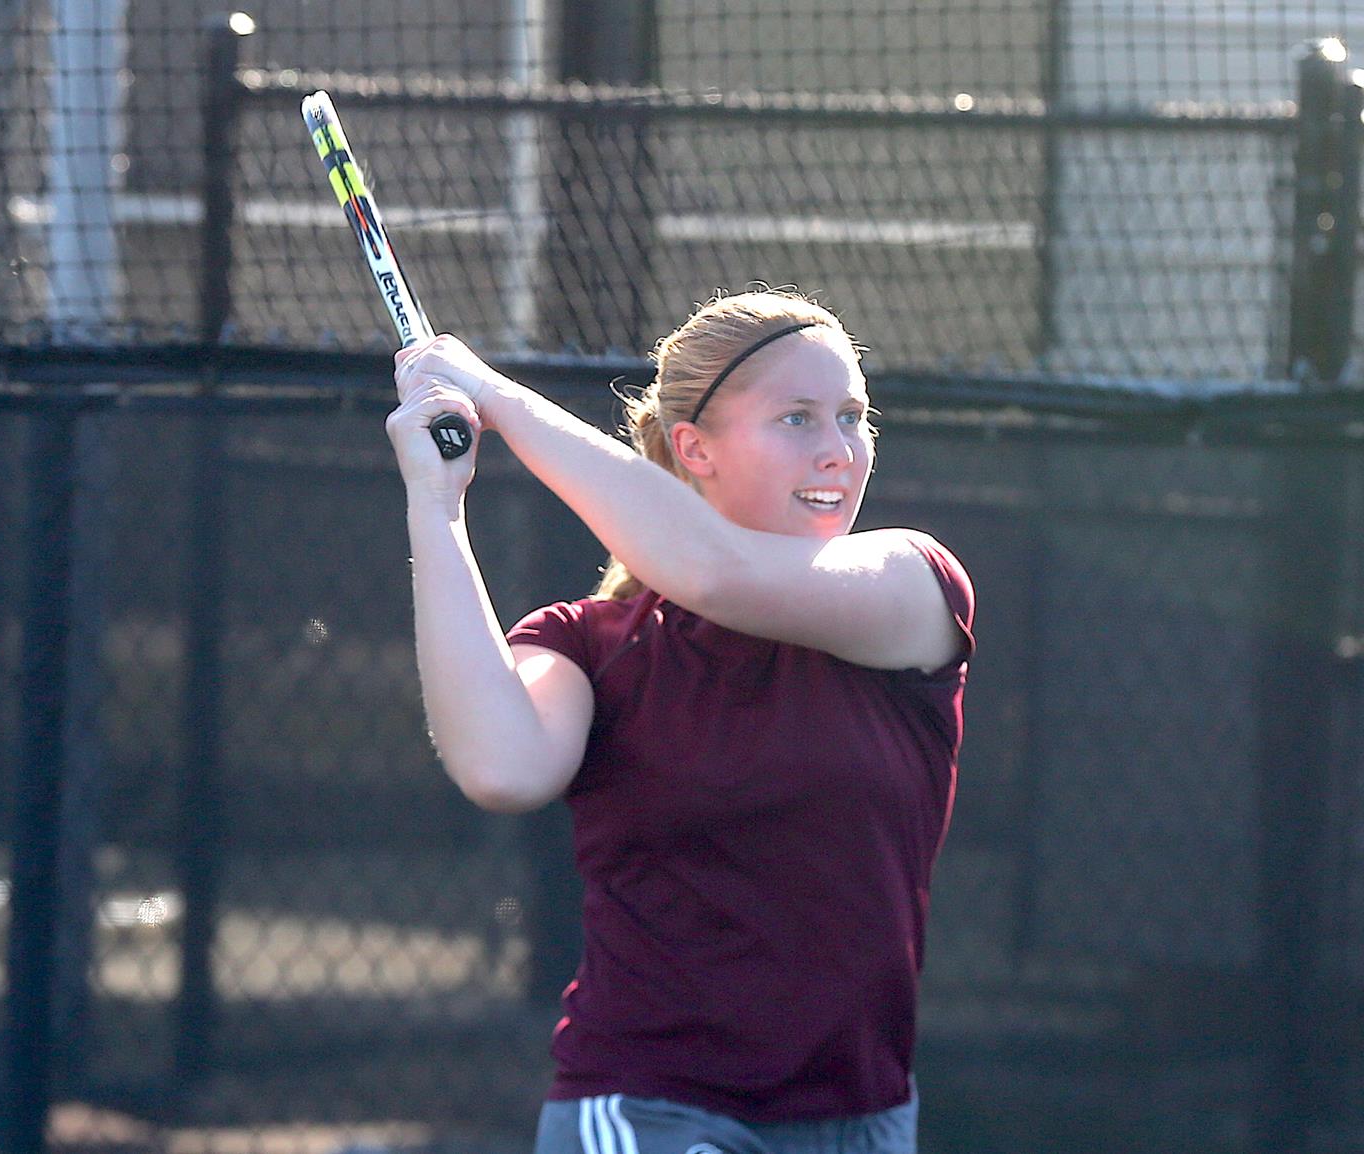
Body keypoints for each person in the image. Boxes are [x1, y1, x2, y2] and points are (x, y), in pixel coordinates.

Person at [386, 288, 974, 1154]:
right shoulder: (589, 643)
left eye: (853, 417)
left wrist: (498, 398)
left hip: (864, 1115)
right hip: (649, 1107)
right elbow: (503, 768)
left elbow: (716, 572)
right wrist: (435, 505)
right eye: (798, 418)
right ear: (695, 448)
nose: (840, 450)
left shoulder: (914, 584)